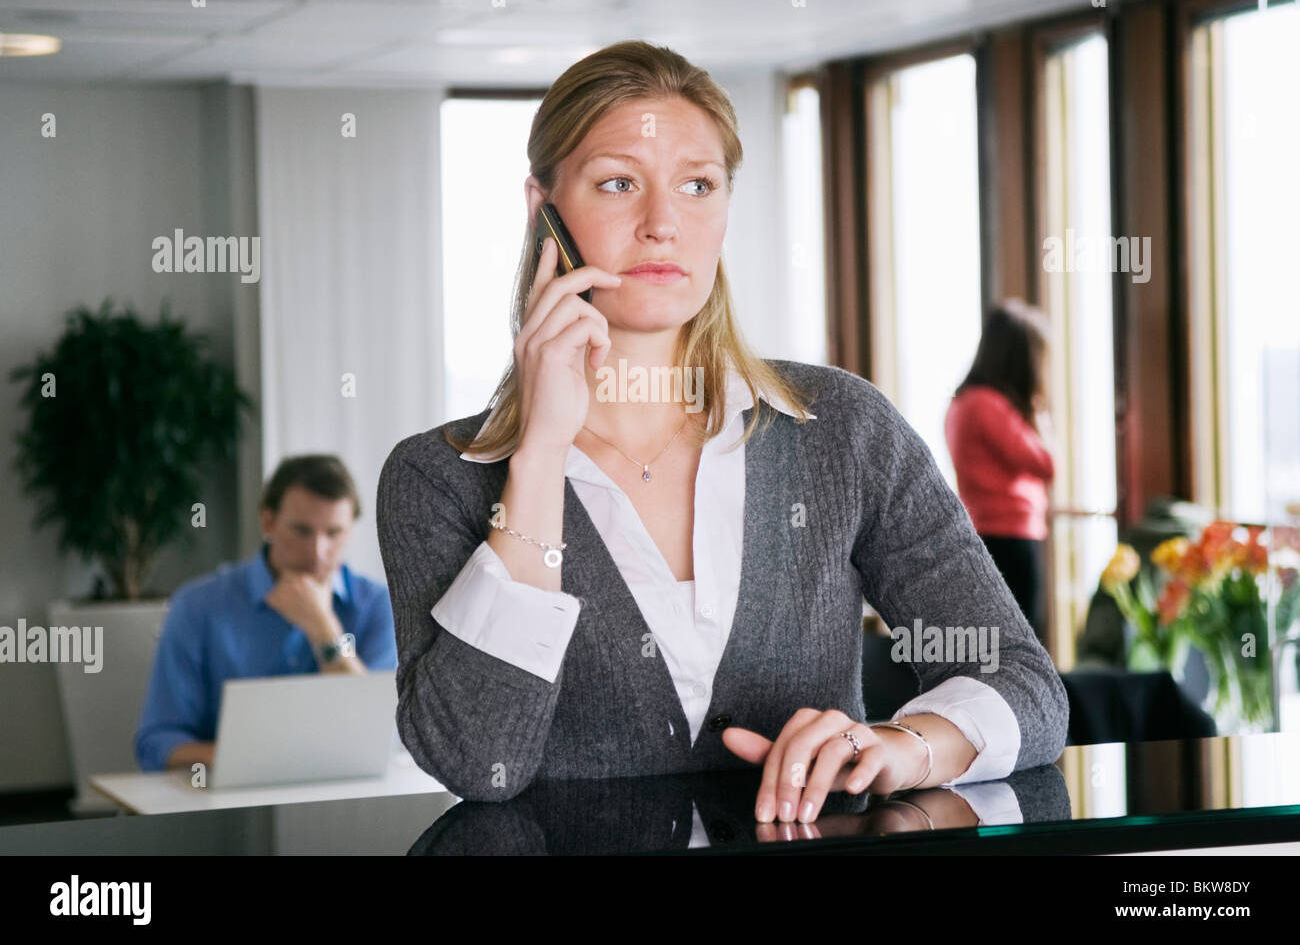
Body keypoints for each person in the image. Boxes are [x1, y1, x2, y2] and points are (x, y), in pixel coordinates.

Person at [377, 40, 1067, 826]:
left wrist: (908, 744)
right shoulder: (438, 477)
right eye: (618, 184)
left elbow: (1025, 683)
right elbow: (477, 760)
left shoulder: (839, 429)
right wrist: (538, 456)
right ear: (546, 211)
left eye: (697, 186)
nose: (662, 224)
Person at [135, 454, 398, 772]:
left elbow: (374, 733)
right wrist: (258, 762)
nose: (317, 552)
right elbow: (158, 742)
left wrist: (324, 629)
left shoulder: (377, 605)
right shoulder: (197, 606)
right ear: (268, 522)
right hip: (224, 802)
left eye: (333, 533)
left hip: (340, 803)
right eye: (302, 531)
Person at [945, 300, 1055, 643]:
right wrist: (1040, 414)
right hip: (1010, 536)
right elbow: (1046, 462)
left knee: (1003, 641)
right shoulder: (989, 406)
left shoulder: (963, 402)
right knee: (1022, 643)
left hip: (988, 532)